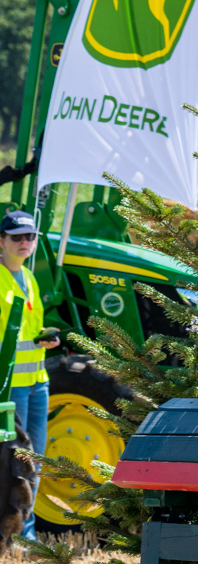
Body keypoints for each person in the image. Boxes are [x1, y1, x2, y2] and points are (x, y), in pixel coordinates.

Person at [0, 210, 61, 542]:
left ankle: (27, 532)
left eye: (30, 236)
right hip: (11, 387)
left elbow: (26, 329)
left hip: (38, 383)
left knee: (35, 458)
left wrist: (45, 337)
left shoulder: (28, 277)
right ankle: (14, 533)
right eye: (17, 237)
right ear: (1, 241)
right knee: (16, 461)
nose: (25, 242)